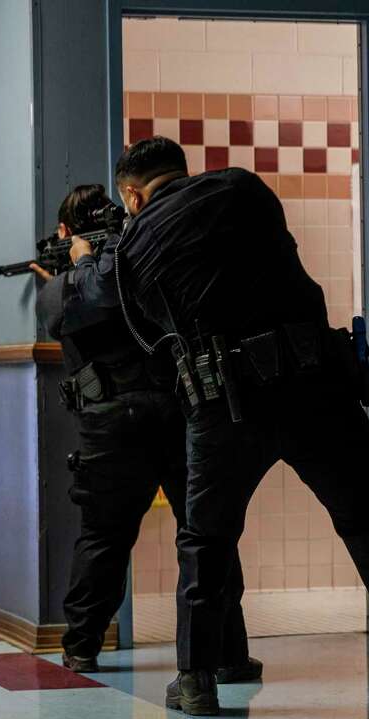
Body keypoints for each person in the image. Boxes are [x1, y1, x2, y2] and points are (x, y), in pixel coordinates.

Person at [68, 137, 369, 719]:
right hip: (315, 388)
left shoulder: (131, 246)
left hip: (221, 406)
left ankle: (196, 681)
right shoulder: (241, 186)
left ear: (131, 194)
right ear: (182, 170)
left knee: (205, 541)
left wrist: (86, 258)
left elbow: (110, 309)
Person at [32, 184, 259, 683]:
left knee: (103, 536)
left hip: (111, 423)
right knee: (205, 532)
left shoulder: (79, 281)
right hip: (180, 412)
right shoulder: (152, 260)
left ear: (67, 232)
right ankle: (227, 653)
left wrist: (66, 275)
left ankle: (82, 647)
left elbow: (61, 314)